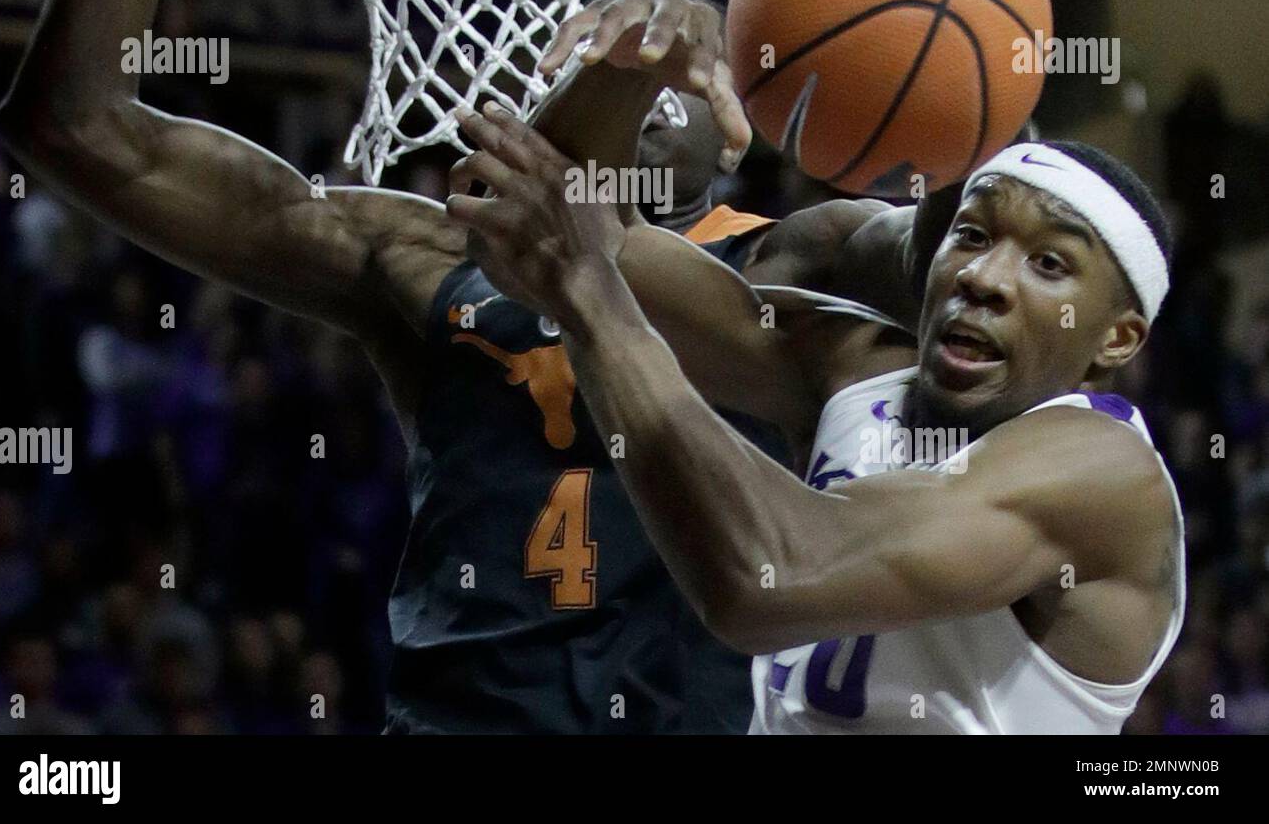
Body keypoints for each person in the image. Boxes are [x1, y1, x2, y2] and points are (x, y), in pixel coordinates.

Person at [0, 0, 957, 733]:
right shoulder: (429, 259)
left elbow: (963, 275)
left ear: (737, 118)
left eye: (684, 61)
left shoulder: (788, 263)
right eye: (623, 49)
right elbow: (79, 128)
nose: (651, 83)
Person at [446, 54, 1186, 735]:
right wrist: (636, 56)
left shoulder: (1105, 472)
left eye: (1049, 263)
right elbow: (551, 218)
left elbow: (769, 578)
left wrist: (588, 294)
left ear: (1115, 339)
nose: (983, 277)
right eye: (971, 233)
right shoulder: (853, 367)